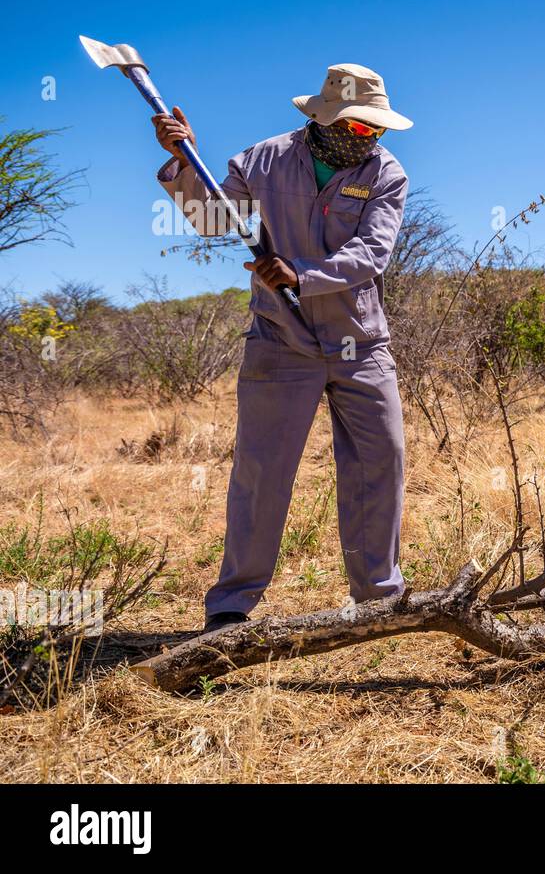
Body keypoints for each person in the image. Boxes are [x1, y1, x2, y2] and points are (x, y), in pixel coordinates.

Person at [152, 64, 413, 634]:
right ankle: (230, 605)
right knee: (262, 470)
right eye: (362, 127)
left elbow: (374, 253)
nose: (373, 138)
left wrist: (300, 272)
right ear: (324, 118)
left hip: (359, 342)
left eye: (378, 129)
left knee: (381, 461)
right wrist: (181, 162)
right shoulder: (263, 160)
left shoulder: (386, 173)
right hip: (280, 340)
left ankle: (378, 601)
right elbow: (210, 219)